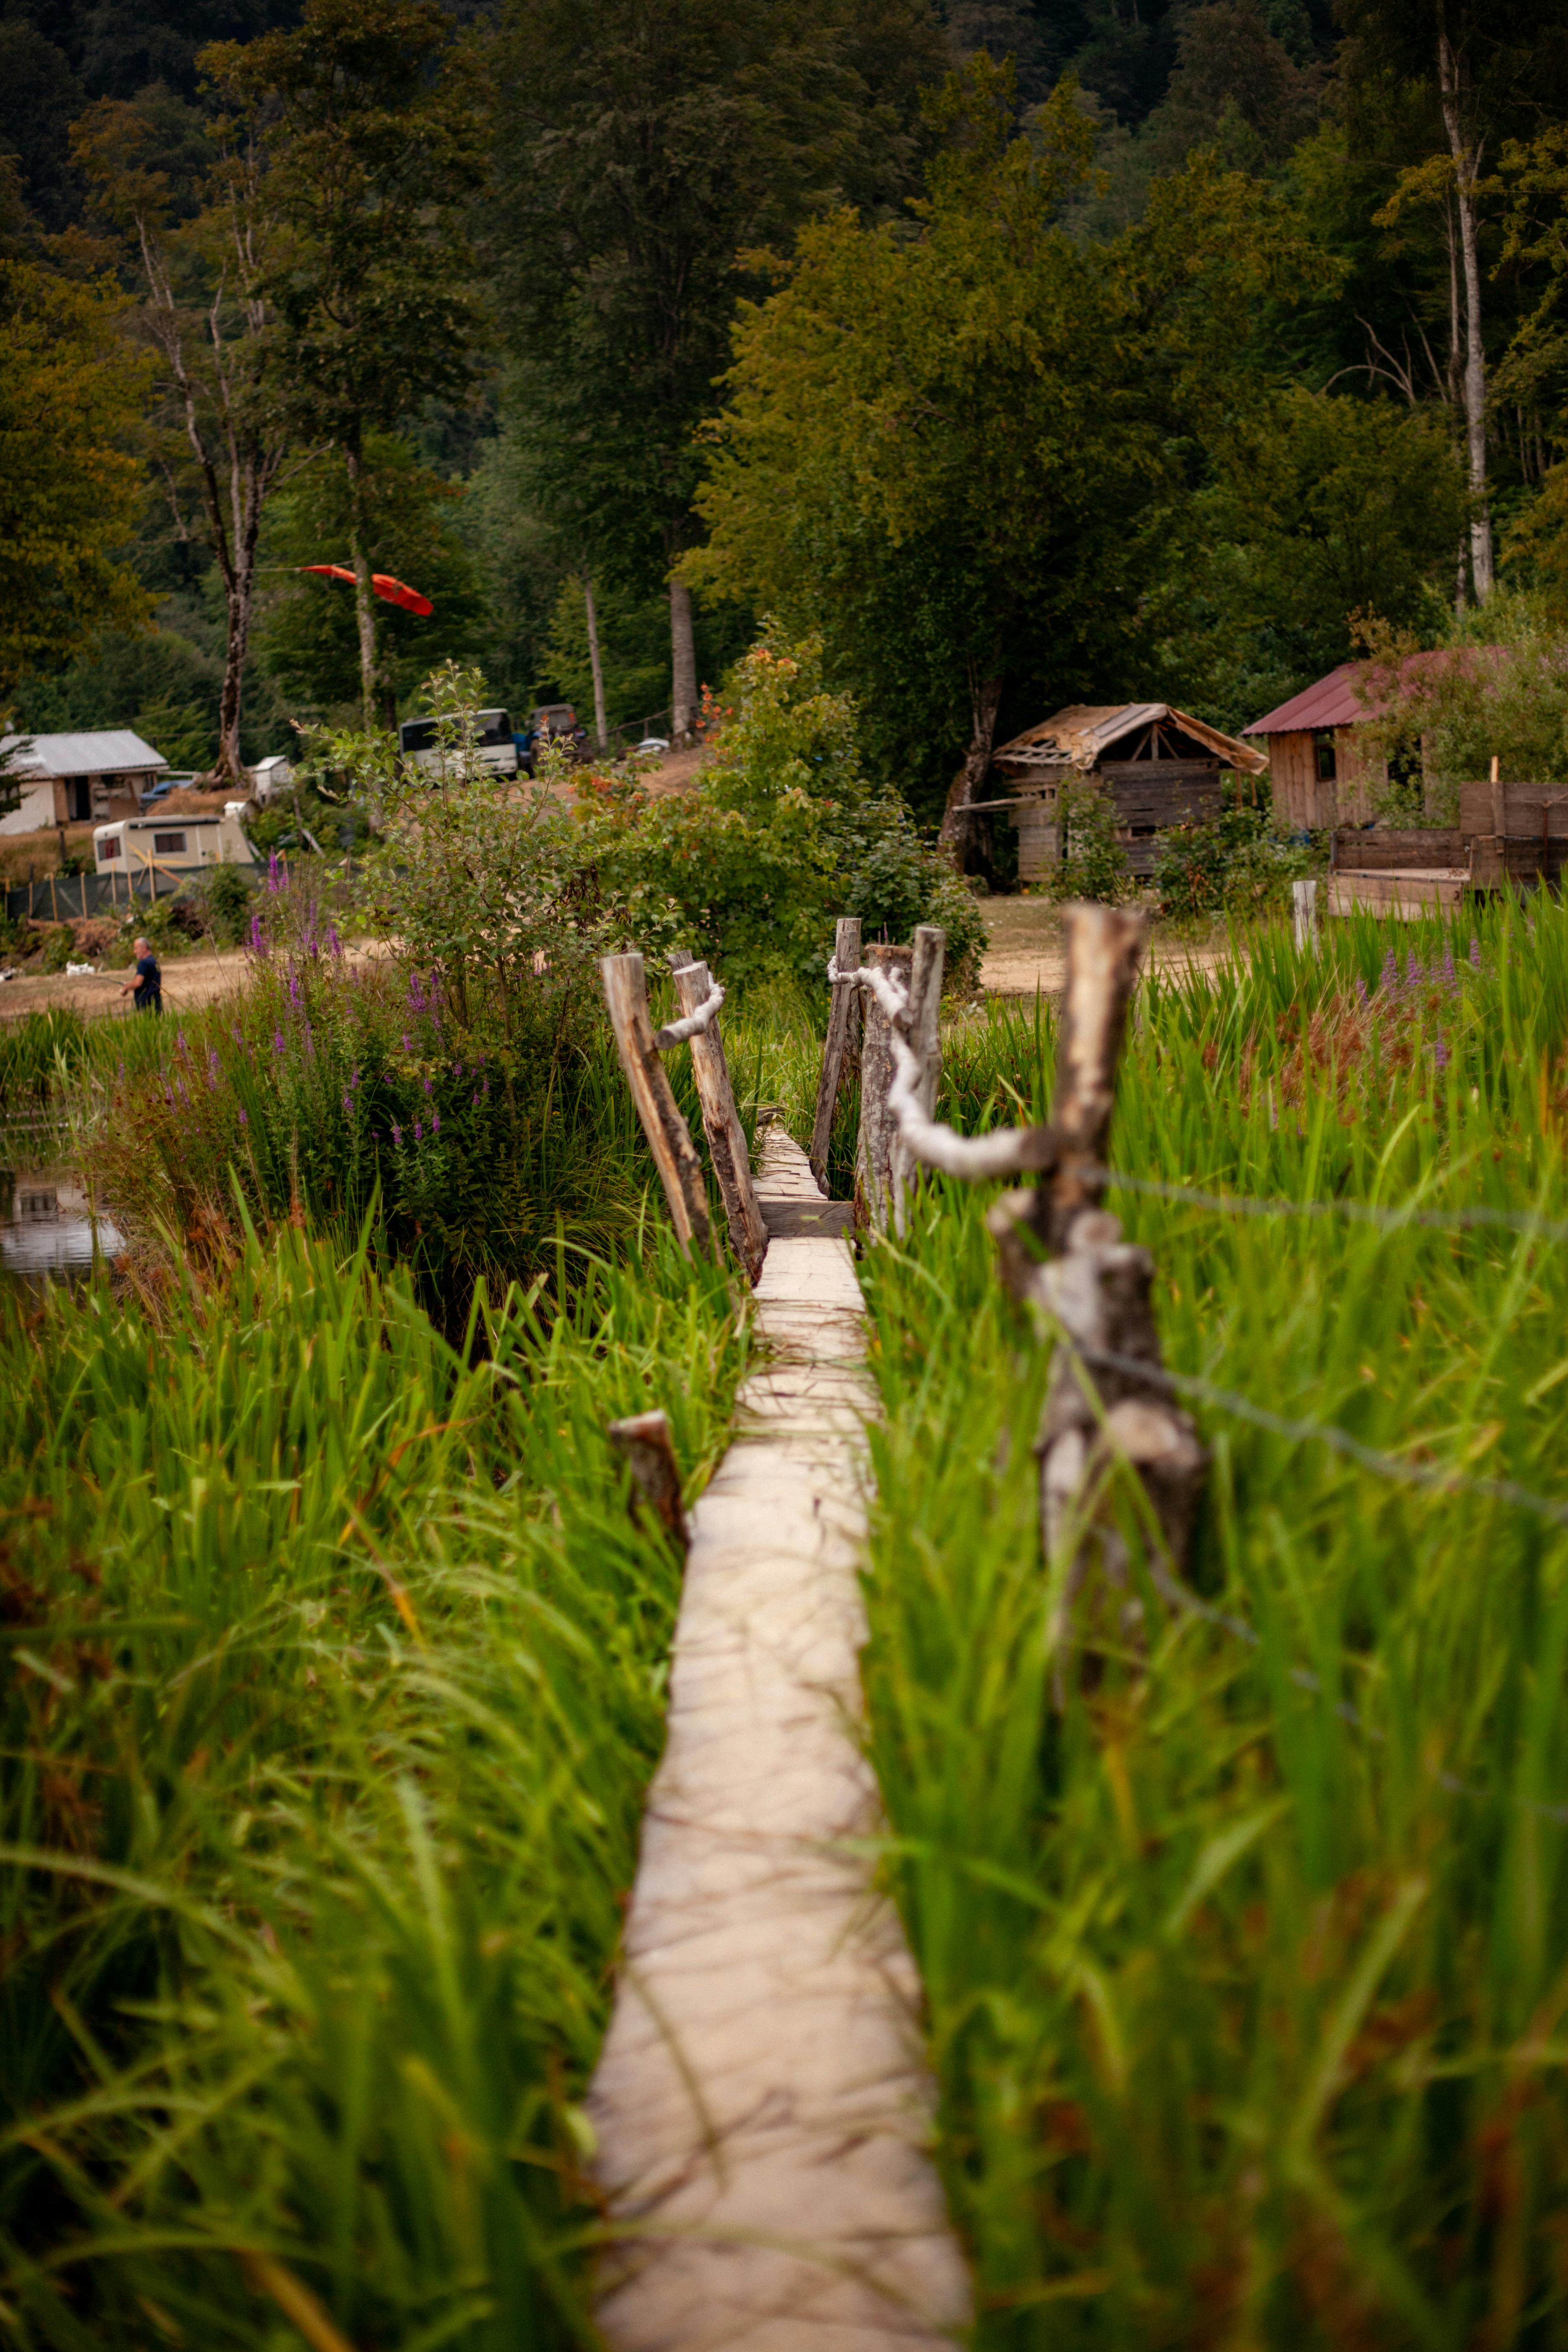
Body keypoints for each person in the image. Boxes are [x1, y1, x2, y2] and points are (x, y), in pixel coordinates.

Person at [119, 935, 162, 1015]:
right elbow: (148, 981)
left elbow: (138, 983)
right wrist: (129, 984)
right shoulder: (154, 962)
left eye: (136, 948)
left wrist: (125, 988)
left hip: (147, 1004)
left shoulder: (144, 963)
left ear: (144, 948)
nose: (135, 951)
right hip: (157, 1002)